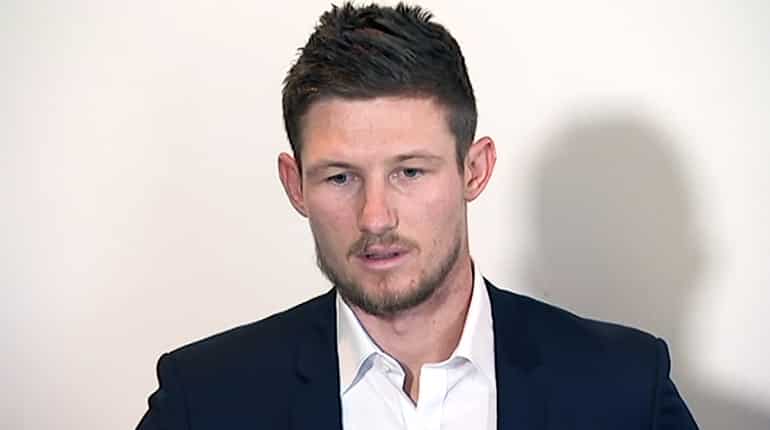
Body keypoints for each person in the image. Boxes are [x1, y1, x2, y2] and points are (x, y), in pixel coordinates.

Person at [136, 3, 698, 429]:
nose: (375, 217)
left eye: (409, 171)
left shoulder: (625, 389)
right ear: (294, 184)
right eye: (340, 177)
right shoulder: (203, 401)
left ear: (474, 170)